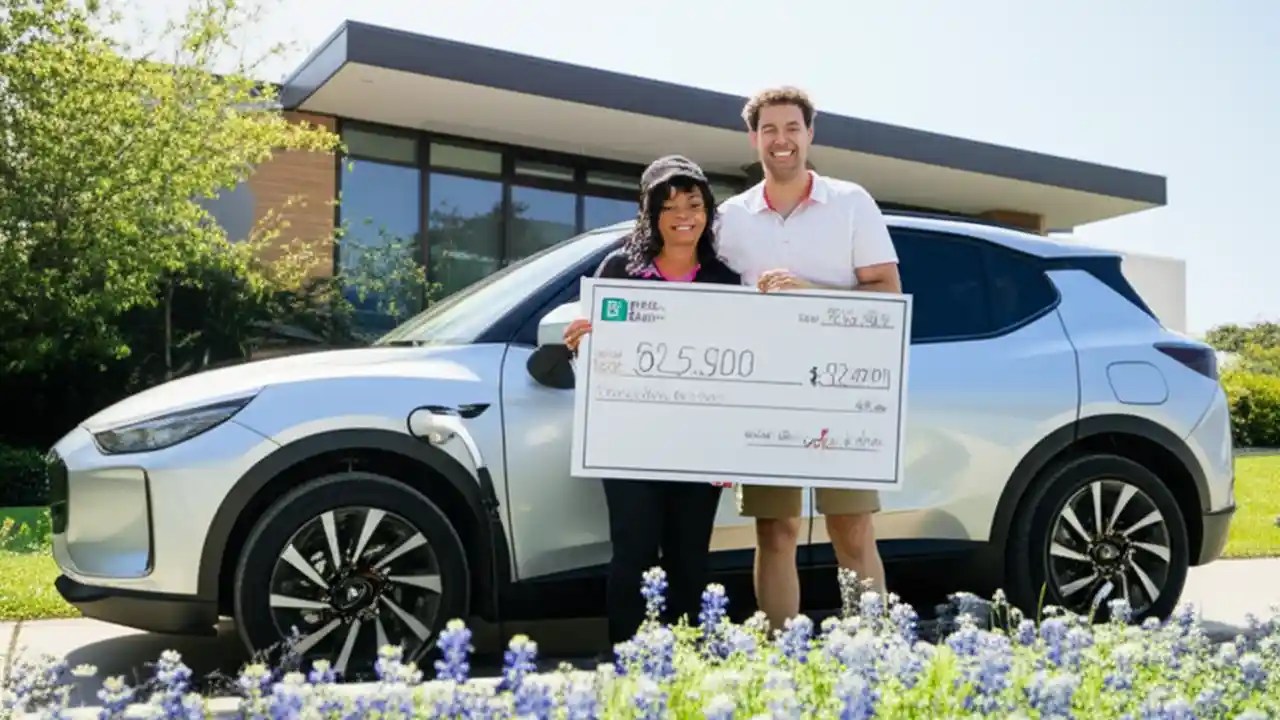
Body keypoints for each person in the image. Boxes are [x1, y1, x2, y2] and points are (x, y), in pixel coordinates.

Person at [713, 86, 903, 632]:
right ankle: (782, 656)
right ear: (753, 138)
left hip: (840, 391)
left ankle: (875, 648)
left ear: (809, 134)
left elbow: (886, 292)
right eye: (769, 129)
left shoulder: (851, 203)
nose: (781, 140)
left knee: (851, 527)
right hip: (765, 394)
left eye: (792, 128)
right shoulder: (731, 218)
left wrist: (808, 292)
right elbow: (710, 302)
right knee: (775, 530)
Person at [563, 155, 741, 648]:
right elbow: (598, 358)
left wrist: (731, 448)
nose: (683, 213)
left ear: (708, 211)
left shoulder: (725, 281)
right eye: (668, 204)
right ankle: (627, 665)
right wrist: (582, 340)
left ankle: (684, 666)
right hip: (628, 446)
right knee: (633, 555)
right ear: (650, 212)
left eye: (694, 203)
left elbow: (739, 374)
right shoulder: (620, 270)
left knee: (689, 561)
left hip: (698, 449)